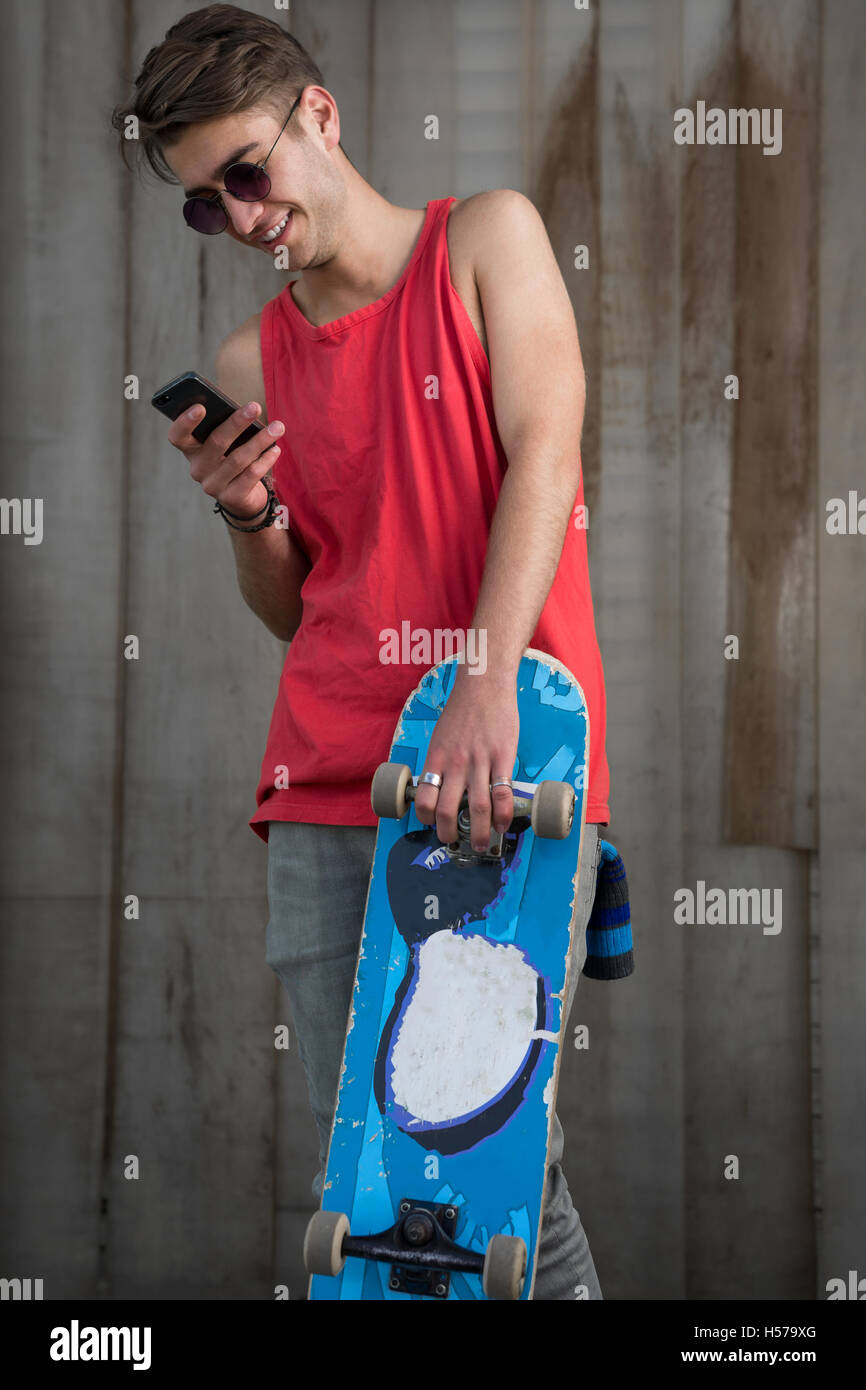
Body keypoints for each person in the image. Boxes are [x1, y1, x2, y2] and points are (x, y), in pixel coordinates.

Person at [114, 2, 611, 1300]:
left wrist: (484, 682)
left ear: (316, 116)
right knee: (387, 1190)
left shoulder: (485, 239)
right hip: (333, 780)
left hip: (504, 763)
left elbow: (546, 458)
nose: (238, 215)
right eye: (202, 203)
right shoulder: (248, 358)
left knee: (489, 1157)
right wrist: (248, 515)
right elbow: (295, 609)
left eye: (245, 173)